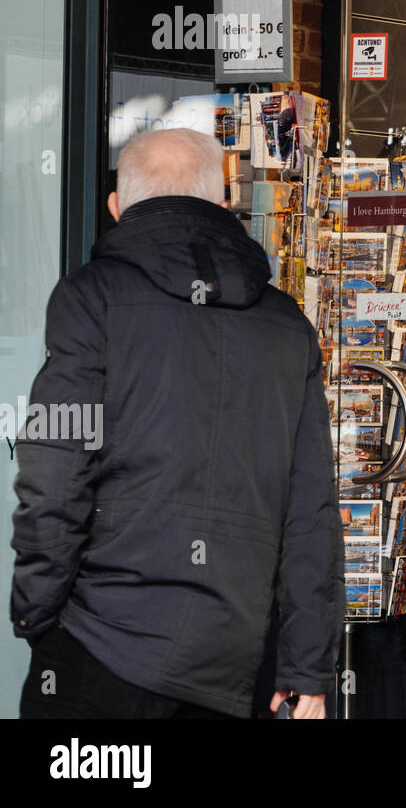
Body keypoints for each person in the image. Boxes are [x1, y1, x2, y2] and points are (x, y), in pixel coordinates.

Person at [10, 127, 342, 719]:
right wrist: (308, 667)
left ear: (116, 208)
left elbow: (55, 473)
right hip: (238, 669)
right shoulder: (289, 327)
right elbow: (311, 510)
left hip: (101, 647)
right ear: (223, 205)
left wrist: (37, 613)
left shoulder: (92, 299)